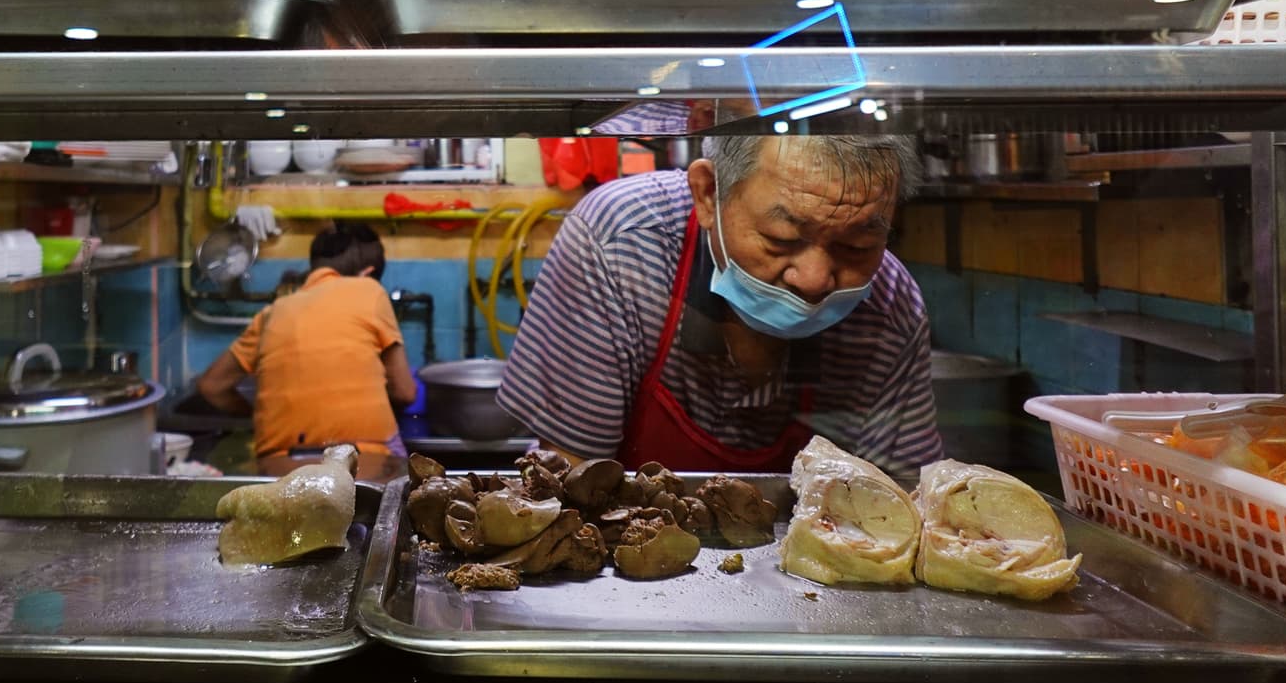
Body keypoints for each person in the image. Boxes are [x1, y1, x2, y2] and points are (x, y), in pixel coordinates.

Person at [497, 135, 940, 476]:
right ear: (708, 194)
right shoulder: (620, 245)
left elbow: (892, 513)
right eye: (782, 239)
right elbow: (572, 487)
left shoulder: (890, 308)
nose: (814, 280)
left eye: (856, 245)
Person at [195, 222, 419, 473]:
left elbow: (211, 386)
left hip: (281, 468)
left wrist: (259, 414)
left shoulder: (273, 312)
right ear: (367, 273)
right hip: (365, 461)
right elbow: (405, 392)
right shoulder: (369, 290)